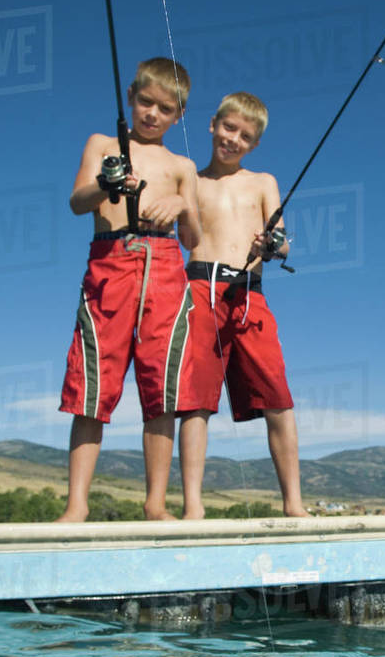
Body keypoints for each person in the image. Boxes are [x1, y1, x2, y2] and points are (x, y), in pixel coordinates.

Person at [58, 57, 201, 522]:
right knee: (92, 382)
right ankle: (76, 504)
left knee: (161, 389)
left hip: (165, 267)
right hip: (109, 263)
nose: (152, 114)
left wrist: (183, 205)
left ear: (178, 115)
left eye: (165, 108)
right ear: (130, 97)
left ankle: (156, 502)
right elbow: (78, 202)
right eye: (145, 102)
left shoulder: (183, 165)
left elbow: (193, 240)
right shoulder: (102, 143)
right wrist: (106, 183)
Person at [179, 92, 305, 519]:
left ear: (254, 144)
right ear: (213, 124)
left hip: (250, 292)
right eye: (229, 128)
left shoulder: (263, 181)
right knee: (195, 401)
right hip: (199, 288)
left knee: (278, 398)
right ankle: (193, 508)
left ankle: (294, 505)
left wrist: (270, 245)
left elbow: (282, 243)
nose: (233, 139)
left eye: (245, 136)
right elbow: (183, 238)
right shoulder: (190, 179)